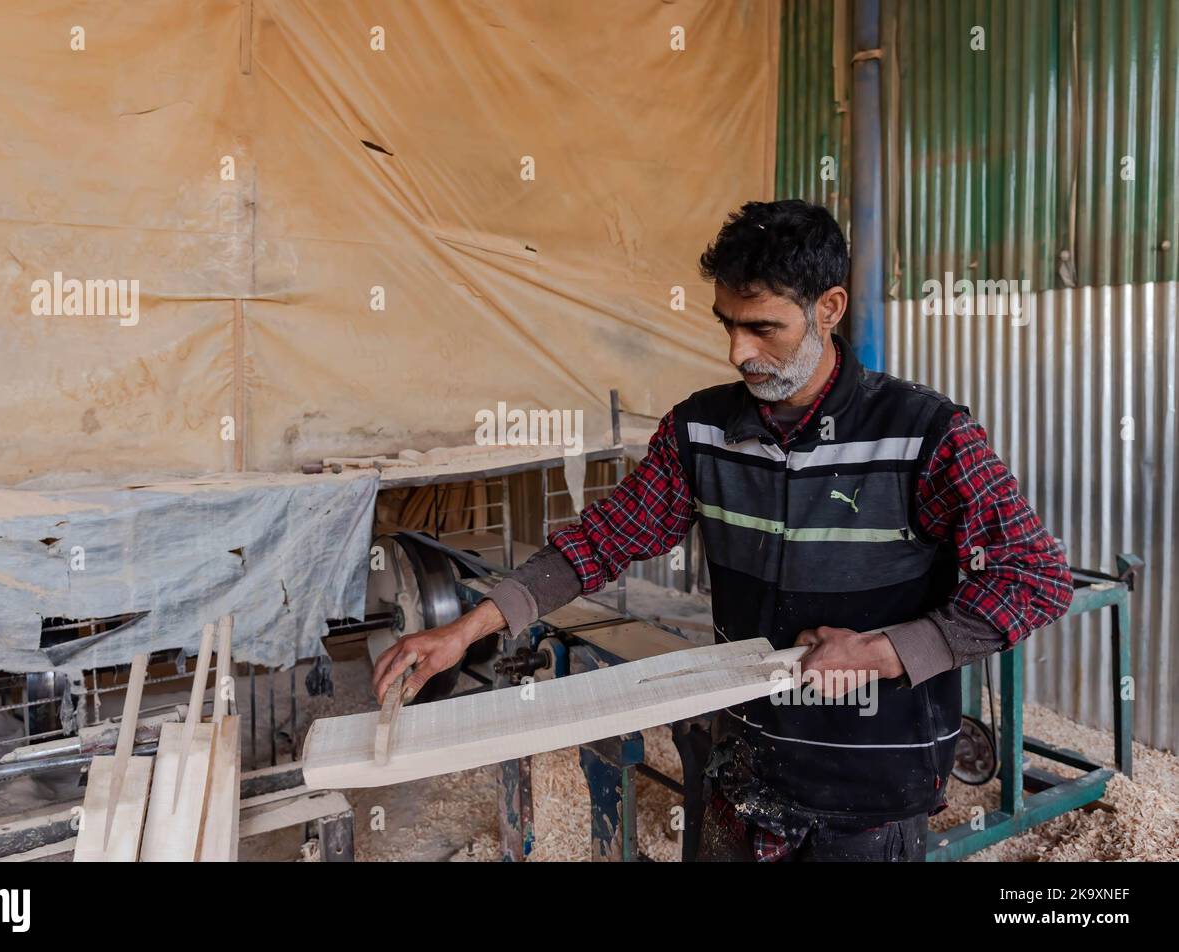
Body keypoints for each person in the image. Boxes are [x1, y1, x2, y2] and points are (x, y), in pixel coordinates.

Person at [373, 199, 1073, 862]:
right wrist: (469, 627)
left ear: (828, 308)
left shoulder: (924, 434)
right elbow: (604, 538)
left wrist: (885, 652)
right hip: (742, 766)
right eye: (726, 325)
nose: (738, 352)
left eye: (763, 328)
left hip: (871, 793)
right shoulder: (701, 430)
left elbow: (1035, 578)